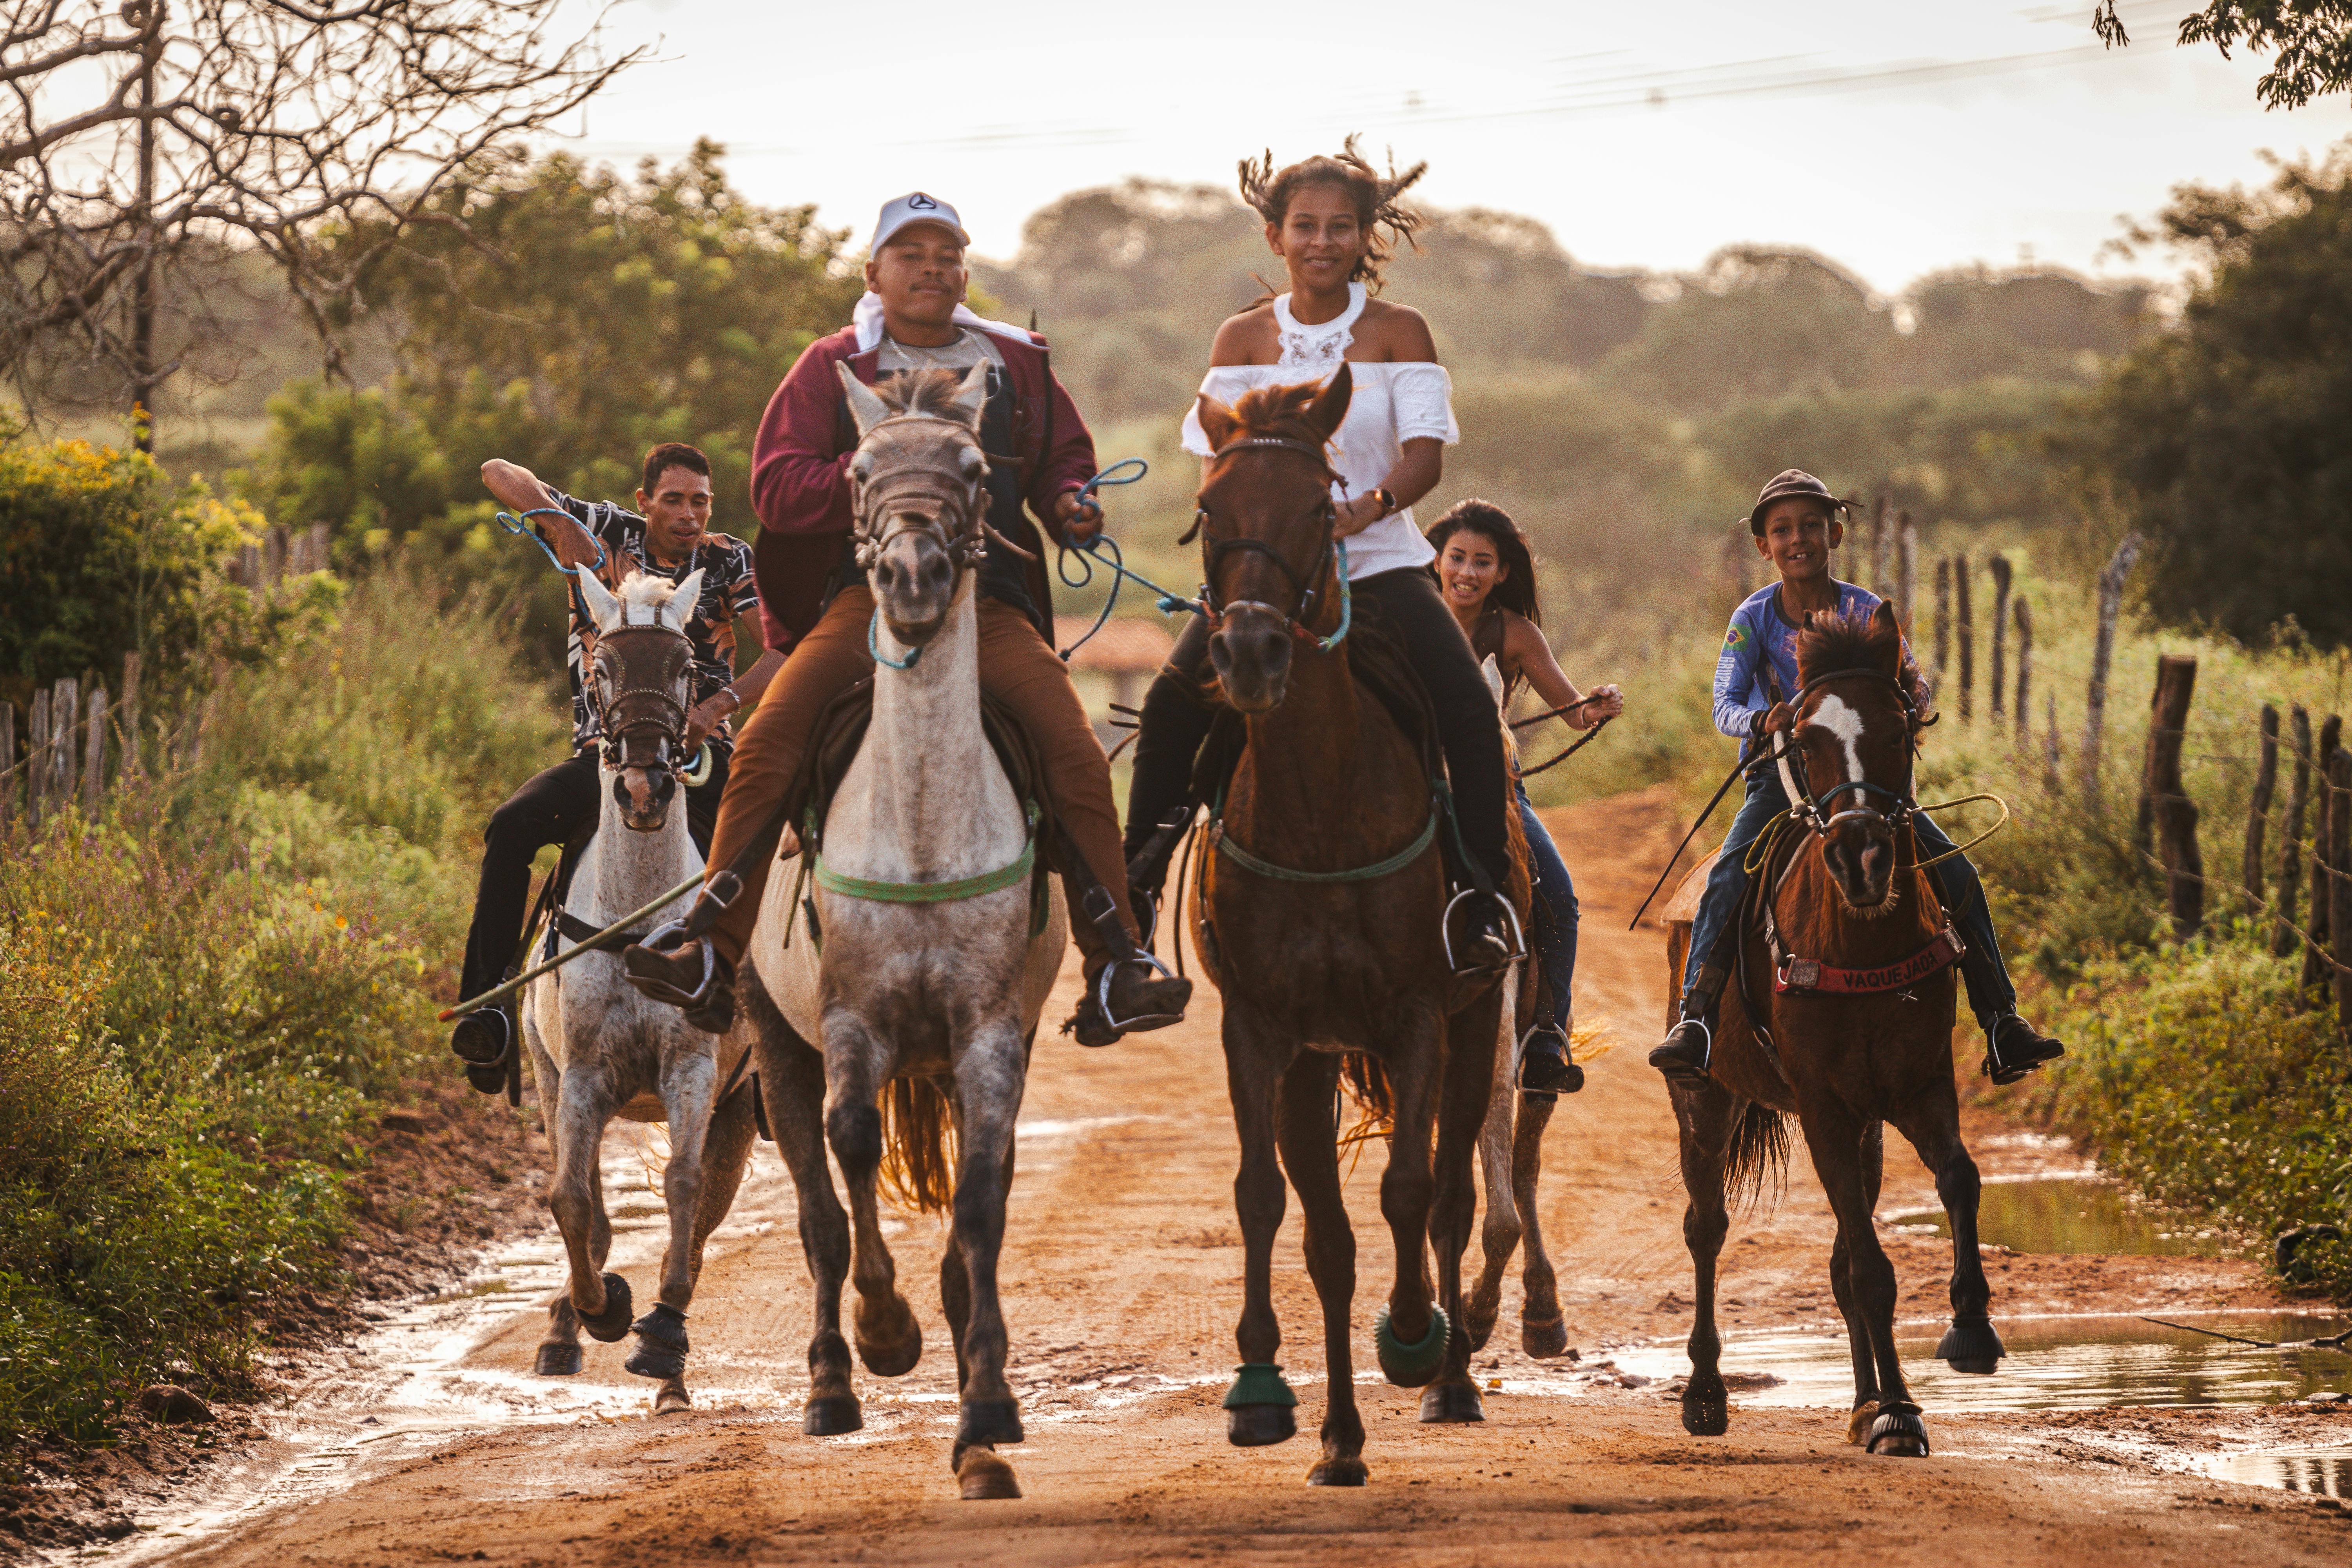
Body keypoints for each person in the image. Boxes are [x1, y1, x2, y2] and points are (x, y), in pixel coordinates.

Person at [621, 191, 1192, 1046]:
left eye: (947, 254)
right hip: (863, 600)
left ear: (965, 270)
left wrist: (1071, 499)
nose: (932, 268)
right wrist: (885, 464)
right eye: (912, 253)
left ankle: (1116, 959)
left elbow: (1060, 457)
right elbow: (777, 486)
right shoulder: (831, 366)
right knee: (773, 734)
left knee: (1072, 747)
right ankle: (708, 942)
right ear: (875, 272)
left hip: (985, 602)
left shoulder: (1016, 361)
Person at [1123, 140, 1522, 971]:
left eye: (1341, 227)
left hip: (1375, 567)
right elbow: (1220, 463)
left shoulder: (1397, 332)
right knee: (1168, 711)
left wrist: (1360, 511)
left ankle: (1481, 904)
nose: (1322, 241)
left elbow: (1425, 456)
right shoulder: (1237, 340)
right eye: (1305, 225)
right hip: (1262, 578)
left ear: (1364, 236)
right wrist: (1240, 563)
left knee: (1469, 714)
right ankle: (1132, 908)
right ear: (1276, 236)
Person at [1648, 469, 2065, 1088]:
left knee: (1957, 871)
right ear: (1764, 546)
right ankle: (1697, 1020)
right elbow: (1723, 706)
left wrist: (1908, 696)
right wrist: (1766, 719)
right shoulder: (1752, 617)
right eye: (1782, 530)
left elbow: (1914, 679)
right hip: (1783, 781)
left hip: (1868, 782)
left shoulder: (1868, 609)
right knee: (1731, 874)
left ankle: (2002, 1020)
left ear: (1835, 532)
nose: (1799, 540)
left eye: (1811, 527)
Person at [448, 443, 780, 1094]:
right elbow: (496, 472)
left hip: (699, 757)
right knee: (511, 825)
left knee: (756, 855)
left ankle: (770, 1043)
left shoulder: (728, 559)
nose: (688, 515)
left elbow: (784, 648)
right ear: (643, 503)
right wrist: (559, 520)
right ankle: (488, 1011)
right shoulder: (604, 532)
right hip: (603, 756)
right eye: (674, 500)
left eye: (700, 502)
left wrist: (716, 707)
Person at [1428, 499, 1624, 1094]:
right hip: (1411, 781)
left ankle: (1546, 1032)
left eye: (1482, 562)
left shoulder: (1515, 633)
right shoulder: (1406, 616)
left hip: (1496, 788)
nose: (1467, 572)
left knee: (1558, 897)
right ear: (1436, 560)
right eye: (1457, 557)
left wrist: (1597, 706)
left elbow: (1572, 711)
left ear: (1503, 572)